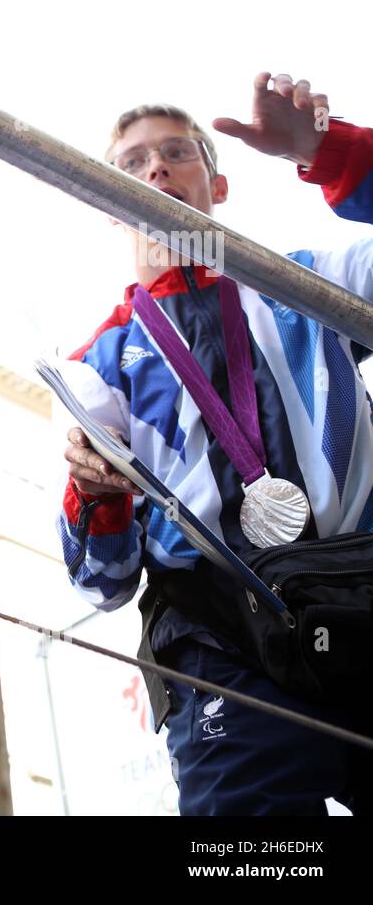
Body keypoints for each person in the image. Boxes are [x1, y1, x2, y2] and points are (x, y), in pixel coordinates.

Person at [57, 73, 373, 814]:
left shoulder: (314, 282)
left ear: (218, 182)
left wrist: (329, 151)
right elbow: (98, 587)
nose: (156, 169)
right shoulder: (93, 370)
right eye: (131, 164)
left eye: (175, 152)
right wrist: (96, 499)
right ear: (108, 202)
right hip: (222, 646)